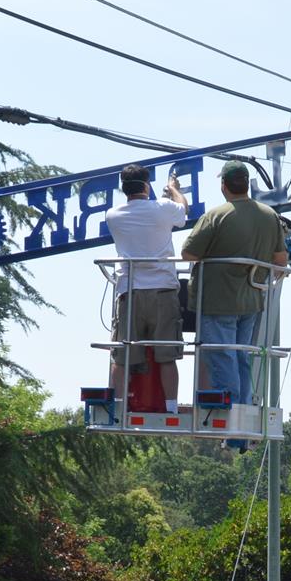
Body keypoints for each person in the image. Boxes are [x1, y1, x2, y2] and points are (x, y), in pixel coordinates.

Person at [180, 160, 287, 405]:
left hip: (218, 301)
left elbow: (188, 253)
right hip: (251, 300)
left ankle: (231, 410)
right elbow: (281, 259)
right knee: (241, 357)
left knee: (222, 355)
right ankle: (243, 407)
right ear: (247, 184)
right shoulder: (270, 216)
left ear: (223, 185)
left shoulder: (216, 215)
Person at [97, 164, 189, 413]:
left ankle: (117, 407)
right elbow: (183, 212)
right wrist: (173, 190)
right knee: (167, 356)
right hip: (163, 292)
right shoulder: (163, 207)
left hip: (129, 292)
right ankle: (171, 408)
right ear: (146, 185)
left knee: (123, 354)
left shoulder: (112, 215)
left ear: (123, 188)